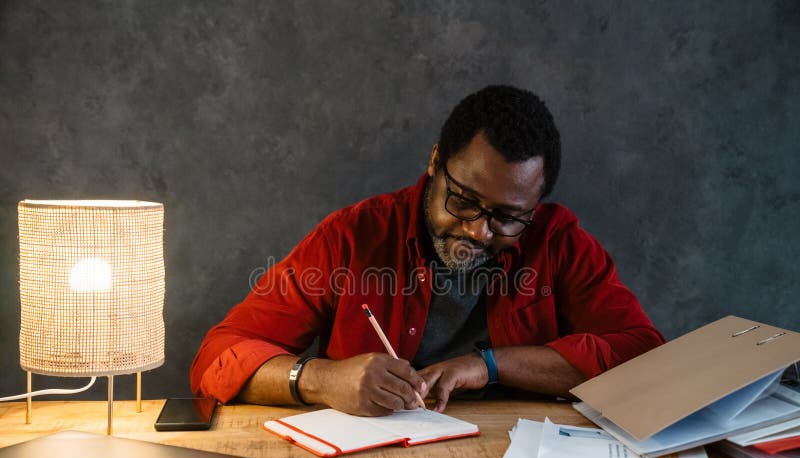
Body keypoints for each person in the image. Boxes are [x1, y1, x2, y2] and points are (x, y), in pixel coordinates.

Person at [190, 85, 665, 416]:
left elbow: (645, 356)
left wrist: (489, 366)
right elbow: (217, 357)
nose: (478, 232)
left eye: (507, 217)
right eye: (463, 201)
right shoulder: (354, 236)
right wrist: (319, 380)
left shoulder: (558, 241)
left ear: (534, 206)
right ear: (436, 161)